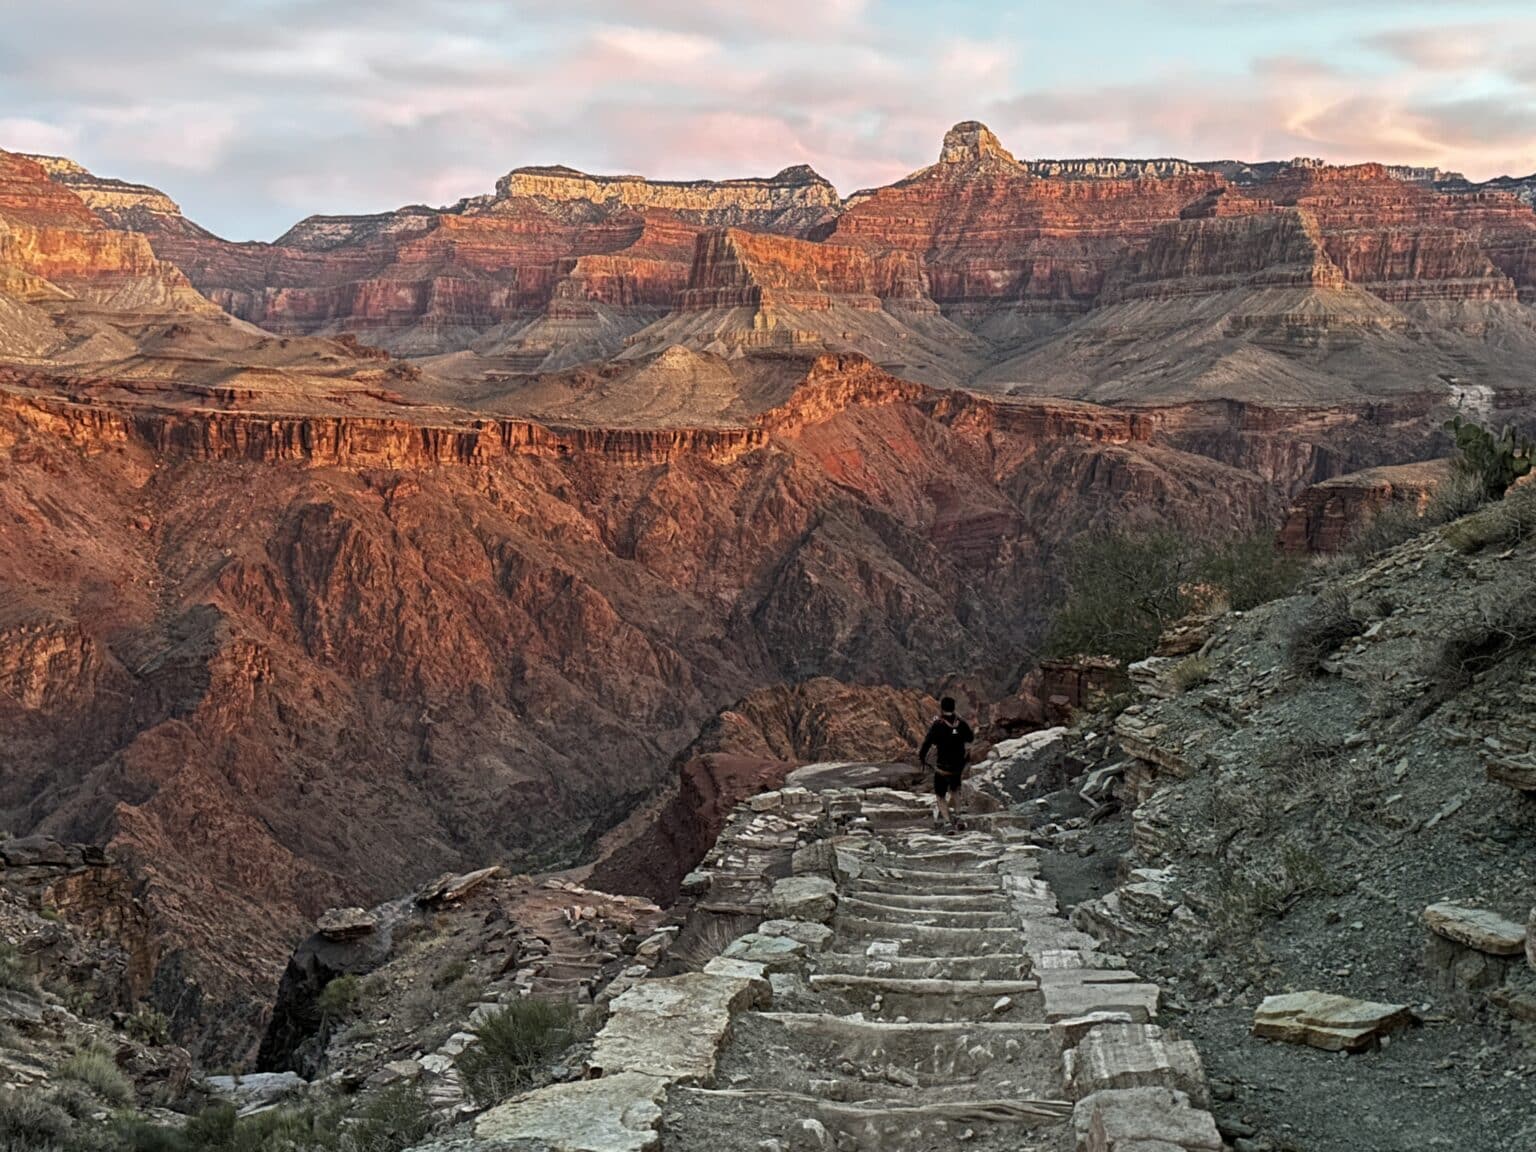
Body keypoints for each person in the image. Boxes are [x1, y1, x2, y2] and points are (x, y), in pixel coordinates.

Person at [919, 697, 975, 830]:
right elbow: (970, 737)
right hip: (957, 766)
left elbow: (927, 742)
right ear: (954, 707)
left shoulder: (938, 724)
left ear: (942, 708)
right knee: (955, 790)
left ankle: (947, 822)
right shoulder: (961, 723)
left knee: (940, 795)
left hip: (942, 766)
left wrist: (922, 757)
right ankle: (959, 817)